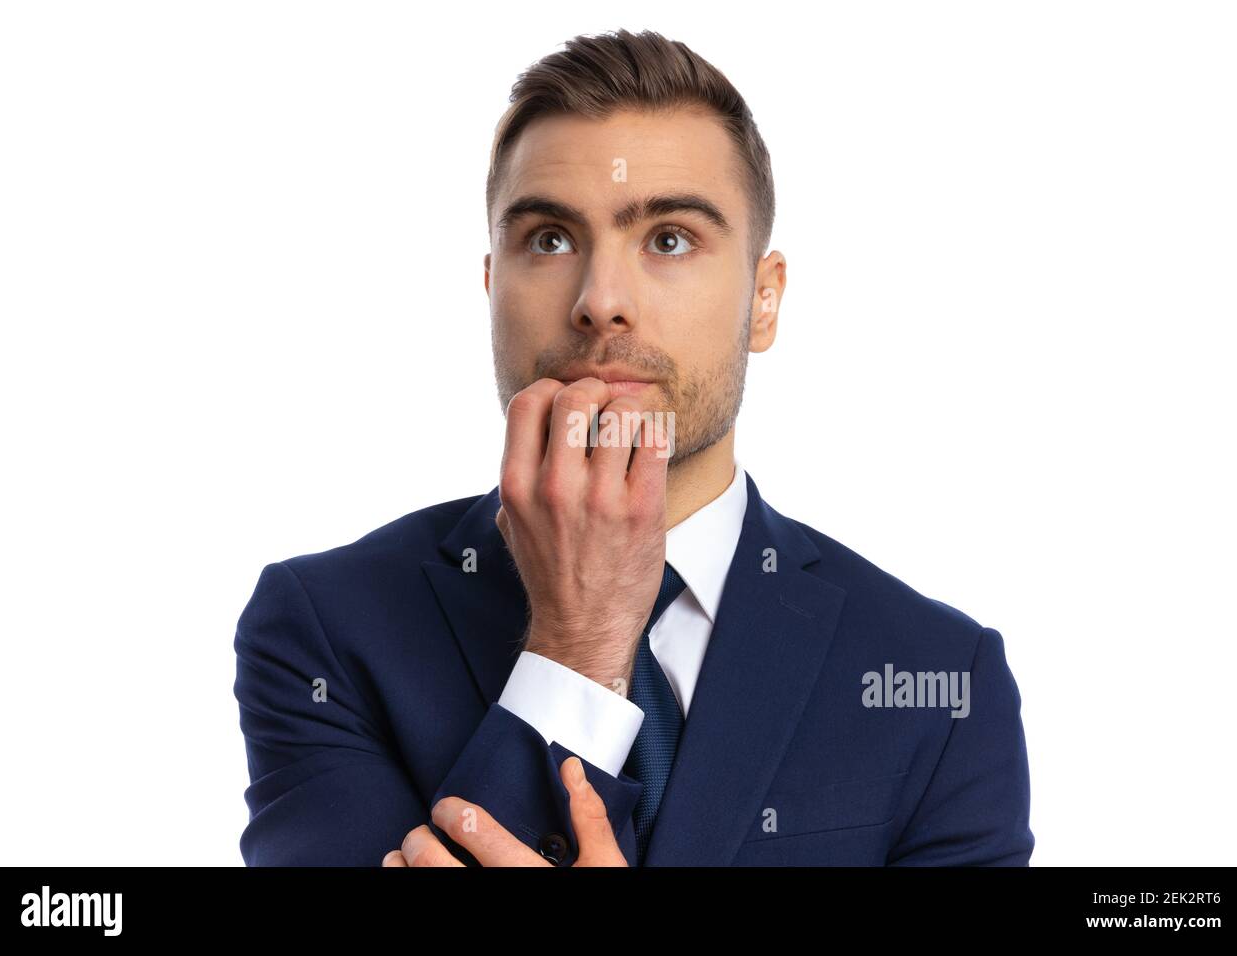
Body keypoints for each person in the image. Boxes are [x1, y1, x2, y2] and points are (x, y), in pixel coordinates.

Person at [233, 28, 1035, 867]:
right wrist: (577, 647)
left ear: (764, 302)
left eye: (669, 238)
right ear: (490, 286)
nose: (600, 302)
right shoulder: (323, 628)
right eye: (548, 238)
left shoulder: (940, 681)